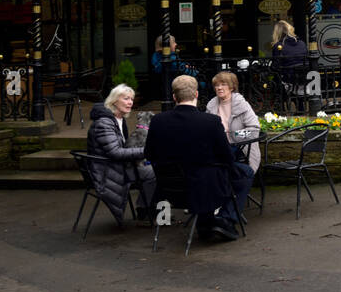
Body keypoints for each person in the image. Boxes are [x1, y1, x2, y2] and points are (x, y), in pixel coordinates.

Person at [144, 74, 247, 241]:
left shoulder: (157, 121)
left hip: (170, 190)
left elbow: (149, 154)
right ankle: (225, 220)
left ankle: (210, 221)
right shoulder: (211, 121)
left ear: (174, 97)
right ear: (196, 94)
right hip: (206, 189)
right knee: (246, 172)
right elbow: (227, 157)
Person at [85, 84, 158, 223]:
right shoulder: (104, 123)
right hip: (107, 172)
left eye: (131, 99)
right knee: (155, 173)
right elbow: (116, 152)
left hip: (117, 167)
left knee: (157, 169)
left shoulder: (118, 119)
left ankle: (148, 209)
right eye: (126, 98)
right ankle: (146, 210)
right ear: (114, 101)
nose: (130, 102)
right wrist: (146, 151)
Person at [206, 70, 262, 176]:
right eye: (217, 85)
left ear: (231, 87)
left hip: (239, 146)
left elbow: (254, 130)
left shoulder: (242, 105)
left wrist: (233, 135)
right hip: (218, 145)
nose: (219, 88)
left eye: (223, 84)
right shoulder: (211, 105)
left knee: (218, 158)